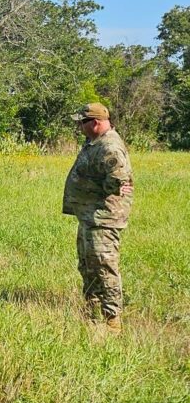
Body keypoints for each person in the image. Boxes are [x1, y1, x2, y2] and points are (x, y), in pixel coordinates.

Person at [62, 103, 133, 332]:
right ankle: (91, 307)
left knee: (104, 266)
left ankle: (112, 317)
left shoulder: (109, 146)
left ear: (95, 122)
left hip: (103, 217)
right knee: (87, 264)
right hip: (90, 216)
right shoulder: (95, 141)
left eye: (82, 122)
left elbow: (119, 179)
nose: (79, 126)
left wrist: (96, 190)